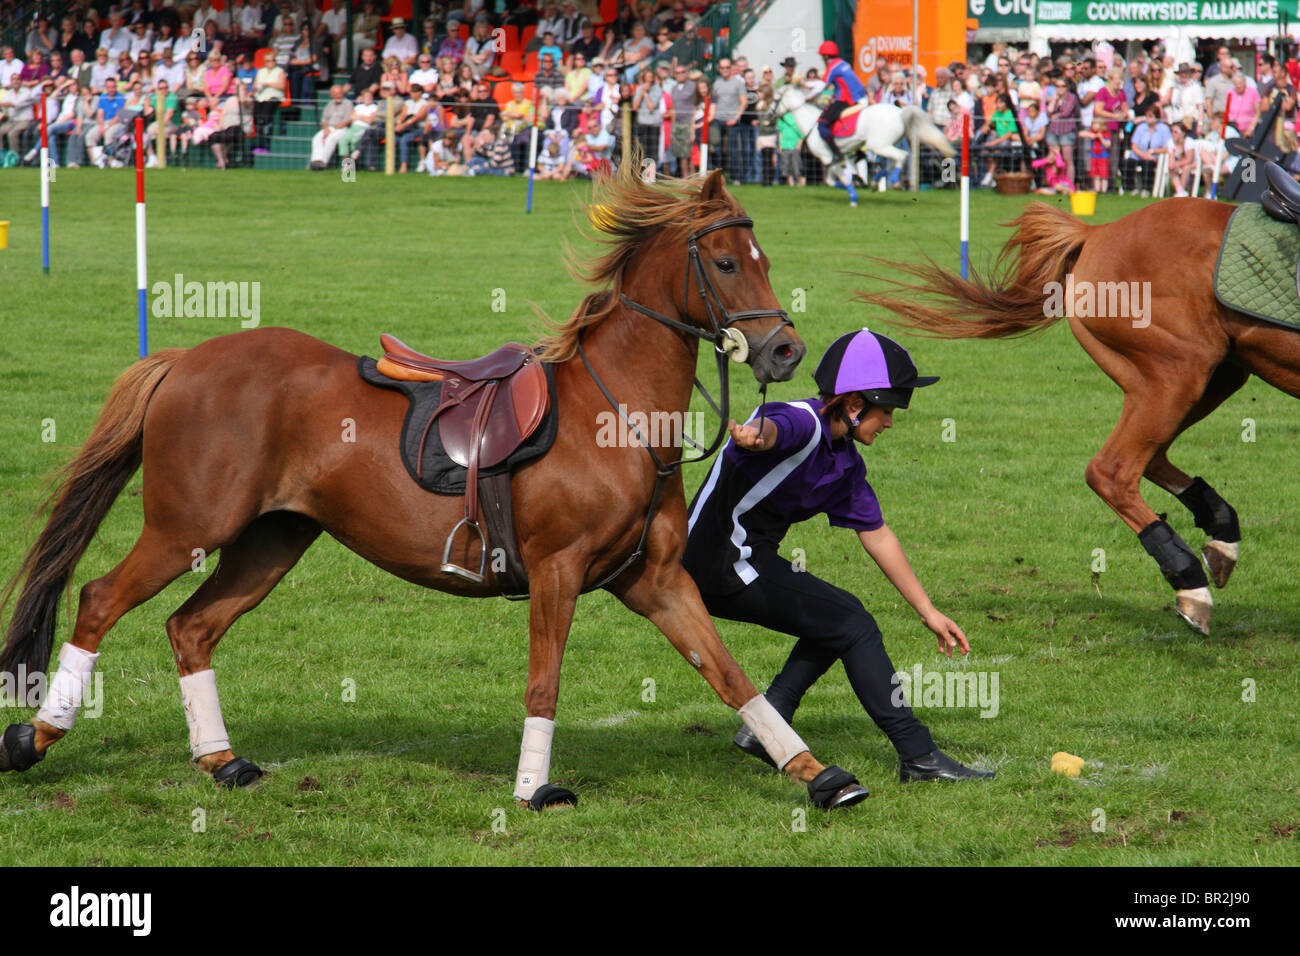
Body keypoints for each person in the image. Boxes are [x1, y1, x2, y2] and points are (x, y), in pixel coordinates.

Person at [683, 329, 994, 785]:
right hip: (719, 561)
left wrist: (928, 611)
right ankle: (919, 755)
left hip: (742, 561)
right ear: (853, 405)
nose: (888, 423)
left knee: (838, 620)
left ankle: (769, 728)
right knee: (852, 624)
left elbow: (878, 534)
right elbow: (774, 425)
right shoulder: (803, 423)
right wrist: (756, 436)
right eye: (886, 411)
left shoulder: (845, 461)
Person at [815, 40, 865, 162]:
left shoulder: (833, 66)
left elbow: (820, 86)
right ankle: (856, 150)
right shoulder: (843, 63)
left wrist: (807, 95)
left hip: (846, 100)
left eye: (822, 56)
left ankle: (836, 153)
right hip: (858, 98)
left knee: (822, 124)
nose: (822, 58)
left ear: (826, 56)